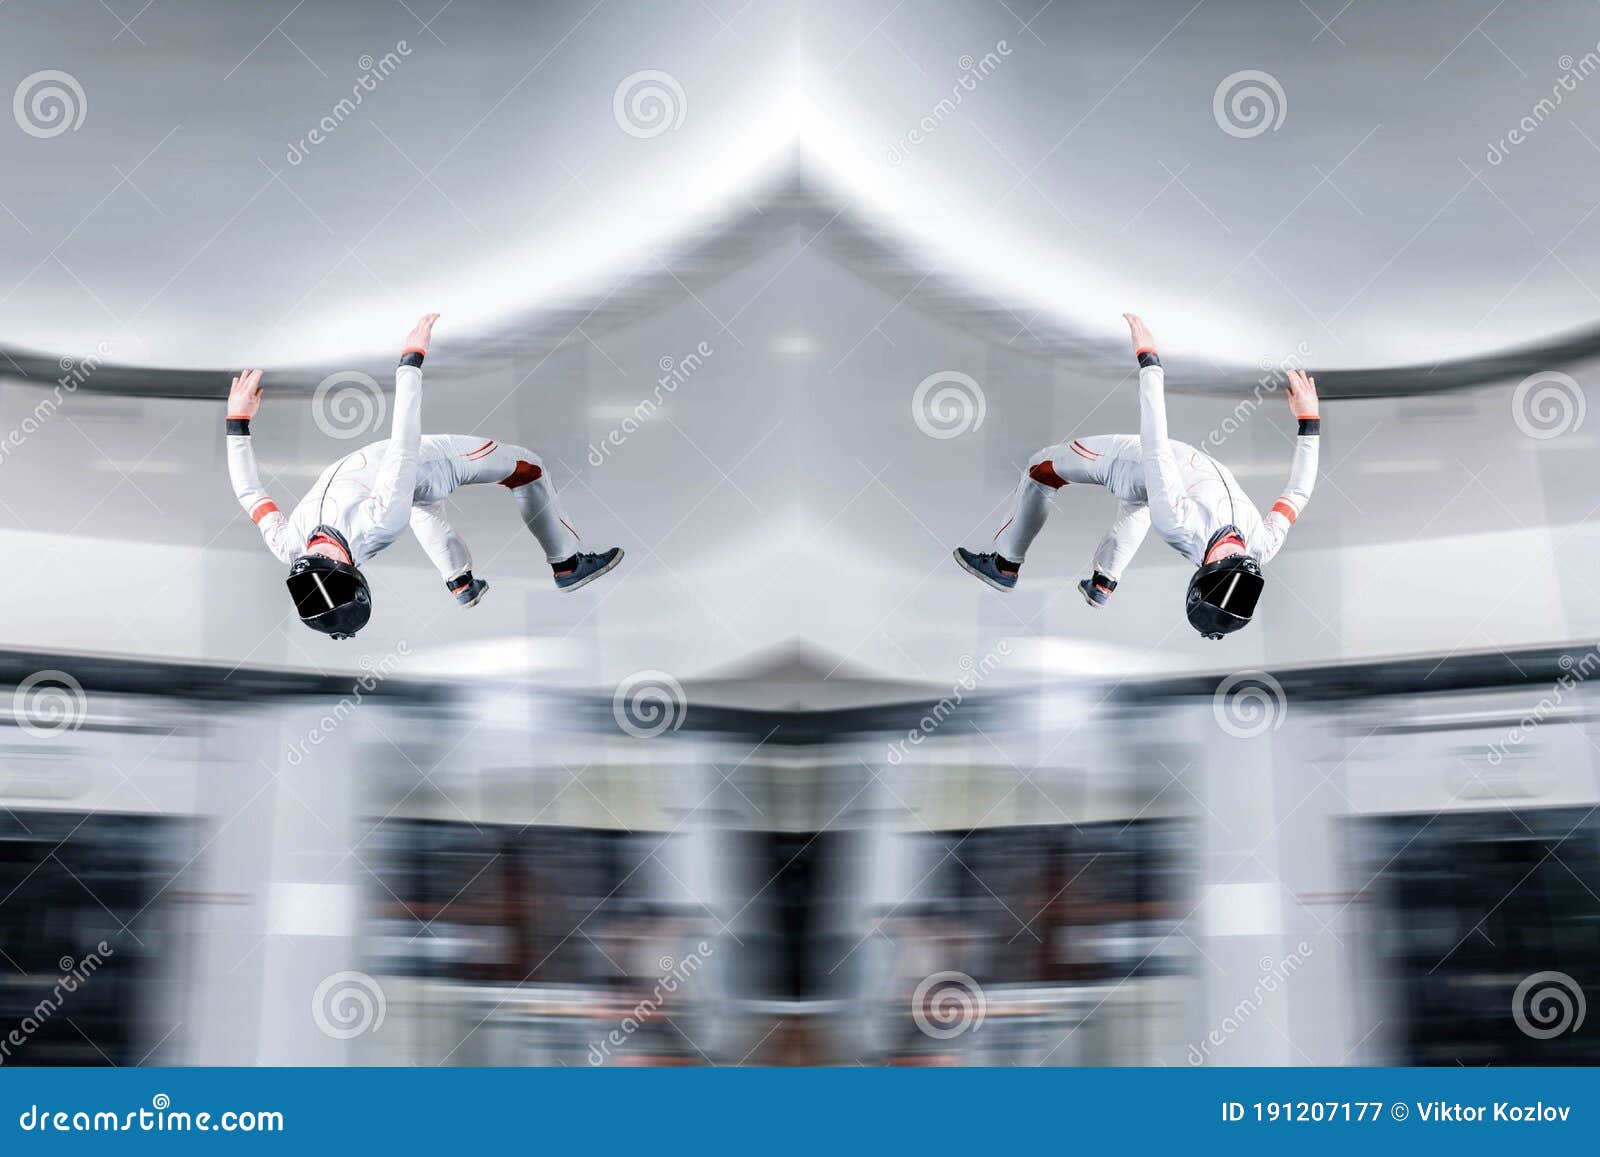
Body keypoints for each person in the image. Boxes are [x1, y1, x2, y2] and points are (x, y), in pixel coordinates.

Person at [225, 313, 623, 639]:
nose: (312, 565)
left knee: (418, 503)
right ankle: (567, 564)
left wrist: (237, 421)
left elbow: (250, 493)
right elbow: (404, 444)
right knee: (529, 471)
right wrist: (411, 360)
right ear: (350, 571)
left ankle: (461, 582)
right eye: (326, 575)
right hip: (427, 462)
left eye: (307, 586)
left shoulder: (288, 544)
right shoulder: (378, 522)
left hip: (395, 480)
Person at [954, 313, 1319, 639]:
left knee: (1040, 470)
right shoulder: (1262, 545)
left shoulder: (1180, 522)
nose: (1242, 581)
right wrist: (1309, 421)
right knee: (1142, 503)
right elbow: (1297, 494)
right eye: (1245, 594)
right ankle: (1103, 583)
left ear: (1203, 578)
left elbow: (1155, 444)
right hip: (1165, 477)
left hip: (1137, 463)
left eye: (1228, 590)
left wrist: (1149, 360)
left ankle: (1005, 564)